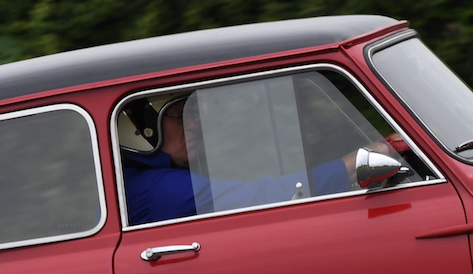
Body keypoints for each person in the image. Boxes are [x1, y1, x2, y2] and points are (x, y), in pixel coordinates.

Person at [122, 94, 360, 224]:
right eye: (179, 116)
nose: (194, 125)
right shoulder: (162, 189)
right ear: (144, 129)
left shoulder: (136, 184)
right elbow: (269, 198)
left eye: (192, 115)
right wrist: (358, 163)